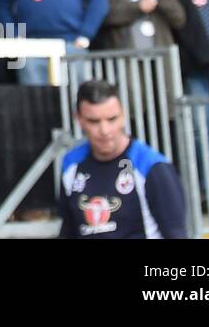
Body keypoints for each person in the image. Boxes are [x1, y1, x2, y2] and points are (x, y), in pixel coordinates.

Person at [58, 79, 187, 239]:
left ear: (123, 115)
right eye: (94, 121)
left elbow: (176, 233)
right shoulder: (71, 164)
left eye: (112, 119)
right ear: (79, 119)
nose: (104, 130)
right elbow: (68, 230)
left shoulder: (151, 166)